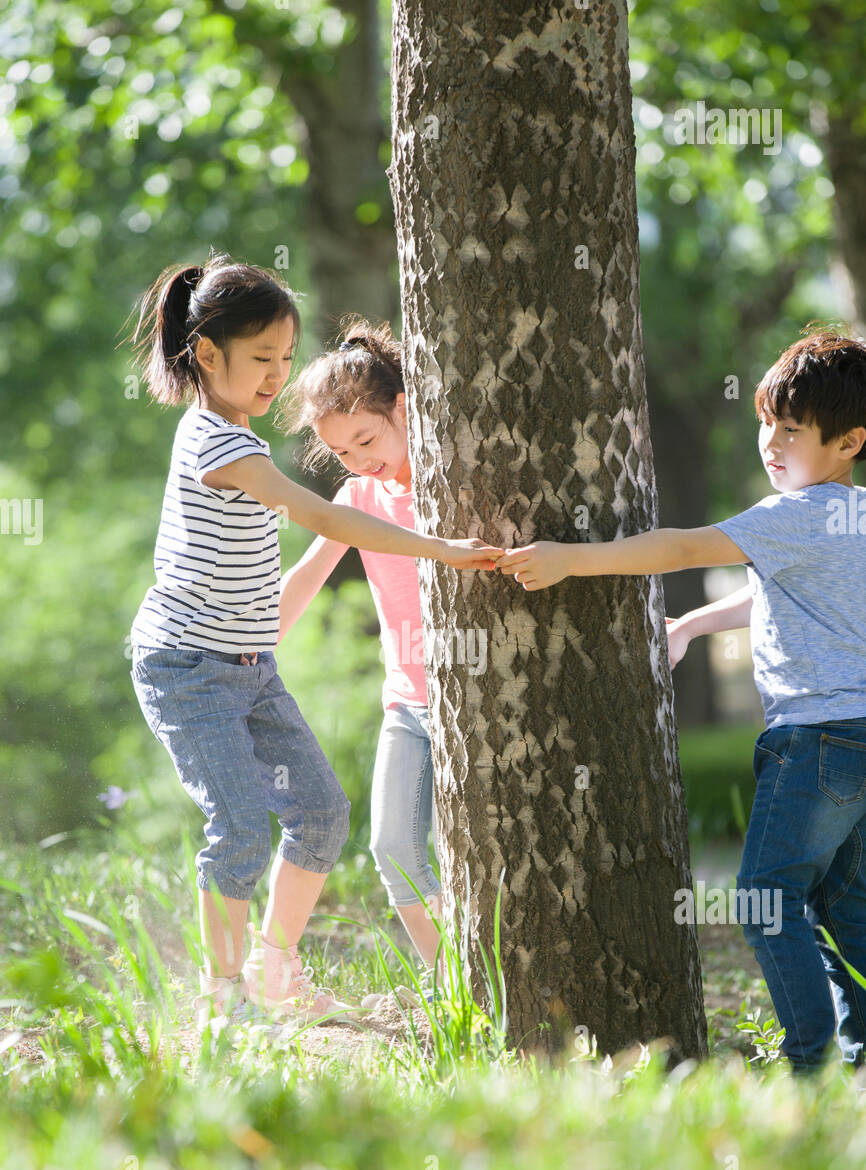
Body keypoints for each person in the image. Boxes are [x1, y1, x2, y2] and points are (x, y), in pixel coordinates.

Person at [125, 253, 503, 1032]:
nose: (276, 375)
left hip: (248, 666)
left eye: (285, 358)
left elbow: (281, 583)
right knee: (236, 828)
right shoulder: (219, 445)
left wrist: (270, 642)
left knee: (323, 814)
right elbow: (324, 522)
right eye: (261, 358)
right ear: (206, 354)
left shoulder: (237, 437)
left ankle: (274, 969)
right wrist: (445, 550)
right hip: (187, 667)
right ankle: (225, 1001)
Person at [495, 326, 866, 1075]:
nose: (771, 442)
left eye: (792, 431)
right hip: (856, 739)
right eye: (766, 421)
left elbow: (681, 547)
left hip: (817, 741)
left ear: (850, 440)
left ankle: (808, 1067)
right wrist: (694, 624)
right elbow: (792, 597)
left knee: (765, 900)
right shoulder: (851, 518)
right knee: (843, 910)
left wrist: (574, 560)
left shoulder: (792, 516)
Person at [276, 319, 448, 1004]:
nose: (357, 460)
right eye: (340, 452)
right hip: (409, 703)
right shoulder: (357, 498)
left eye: (366, 440)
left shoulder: (453, 480)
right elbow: (308, 575)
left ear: (403, 408)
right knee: (392, 850)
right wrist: (244, 639)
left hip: (483, 700)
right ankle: (460, 983)